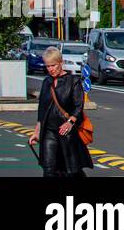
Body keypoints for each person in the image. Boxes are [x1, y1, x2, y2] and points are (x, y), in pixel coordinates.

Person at [29, 47, 92, 178]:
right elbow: (42, 110)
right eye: (48, 66)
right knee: (49, 169)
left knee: (71, 170)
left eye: (53, 65)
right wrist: (36, 132)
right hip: (49, 132)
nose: (51, 69)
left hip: (67, 132)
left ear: (61, 63)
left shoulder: (73, 81)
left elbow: (78, 107)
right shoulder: (47, 82)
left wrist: (70, 122)